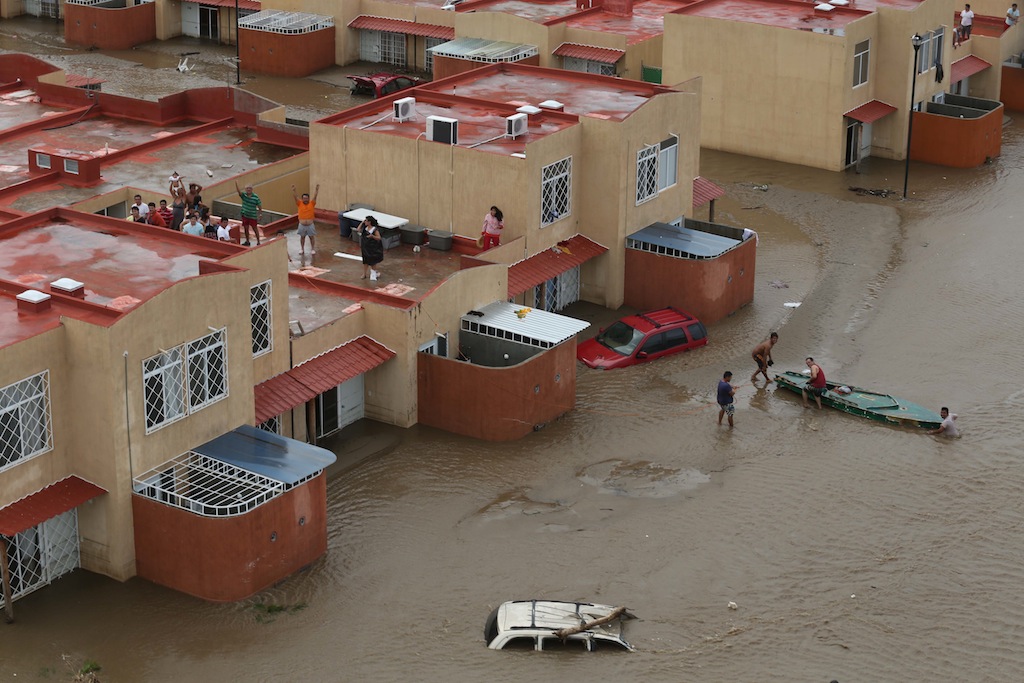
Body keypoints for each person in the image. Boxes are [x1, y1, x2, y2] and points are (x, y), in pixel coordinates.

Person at [293, 183, 320, 255]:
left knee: (311, 237)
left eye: (306, 198)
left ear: (308, 198)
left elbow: (315, 196)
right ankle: (302, 249)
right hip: (302, 224)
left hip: (310, 224)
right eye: (304, 198)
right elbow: (296, 197)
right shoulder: (299, 203)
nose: (305, 199)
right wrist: (294, 191)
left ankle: (312, 249)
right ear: (302, 199)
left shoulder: (312, 203)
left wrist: (316, 190)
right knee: (302, 237)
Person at [235, 181, 263, 246]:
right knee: (246, 228)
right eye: (247, 188)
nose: (248, 190)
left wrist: (260, 213)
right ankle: (247, 241)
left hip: (252, 216)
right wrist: (236, 184)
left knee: (255, 228)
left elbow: (259, 205)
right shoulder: (244, 195)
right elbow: (239, 192)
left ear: (252, 189)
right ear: (245, 189)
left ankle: (258, 241)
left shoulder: (255, 197)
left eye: (249, 188)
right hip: (245, 215)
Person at [359, 216, 384, 280]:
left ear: (369, 222)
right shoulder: (365, 228)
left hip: (372, 248)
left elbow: (379, 238)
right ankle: (364, 274)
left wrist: (372, 236)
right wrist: (362, 223)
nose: (365, 222)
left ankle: (373, 273)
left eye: (366, 221)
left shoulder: (374, 229)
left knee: (372, 261)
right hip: (365, 247)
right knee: (365, 261)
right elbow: (358, 229)